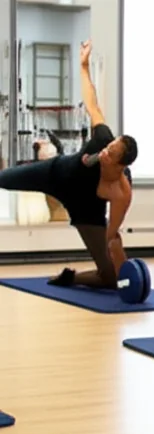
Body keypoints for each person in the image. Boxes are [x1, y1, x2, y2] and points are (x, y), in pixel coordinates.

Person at [0, 40, 137, 289]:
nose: (105, 152)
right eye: (109, 147)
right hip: (55, 174)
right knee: (3, 179)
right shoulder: (102, 138)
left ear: (121, 166)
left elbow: (112, 234)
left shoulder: (121, 193)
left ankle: (69, 278)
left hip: (87, 209)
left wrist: (121, 266)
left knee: (108, 278)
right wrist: (84, 66)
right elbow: (92, 104)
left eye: (111, 154)